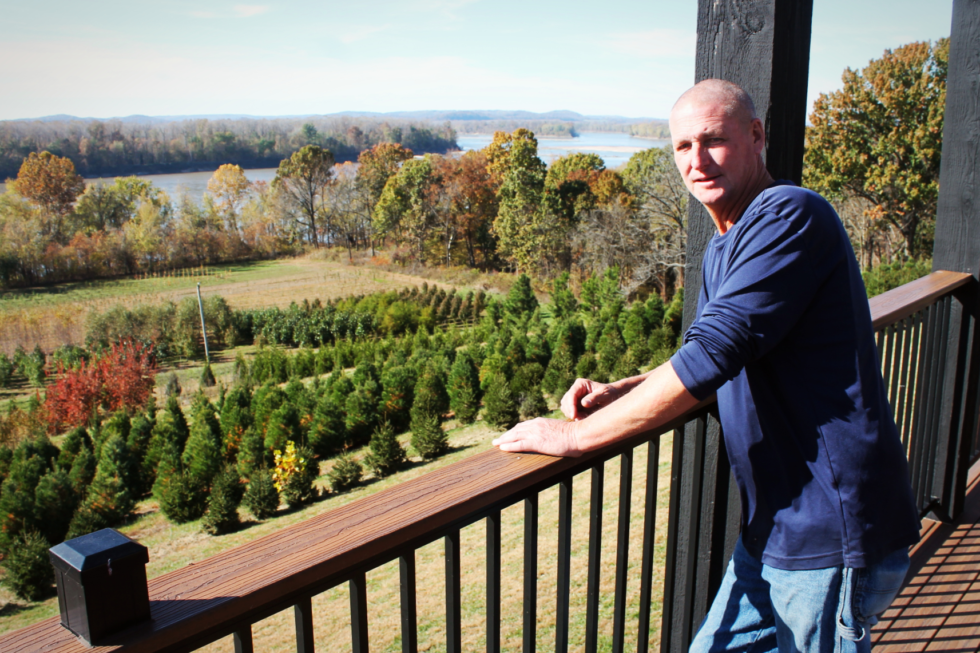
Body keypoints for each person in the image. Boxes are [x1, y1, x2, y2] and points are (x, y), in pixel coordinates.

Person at [491, 79, 920, 653]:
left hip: (830, 533)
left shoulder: (788, 215)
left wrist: (573, 437)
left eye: (713, 140)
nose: (697, 161)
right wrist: (626, 390)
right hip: (777, 526)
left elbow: (715, 351)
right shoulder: (727, 243)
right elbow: (727, 360)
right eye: (682, 147)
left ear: (756, 137)